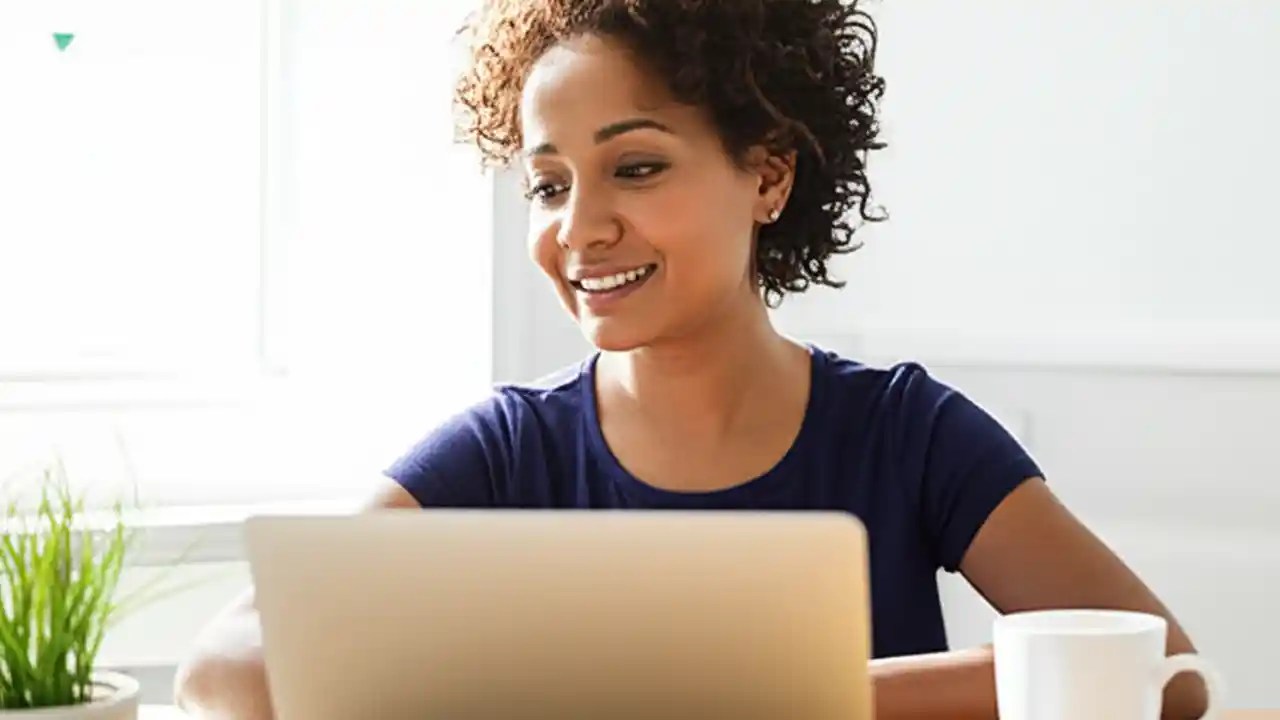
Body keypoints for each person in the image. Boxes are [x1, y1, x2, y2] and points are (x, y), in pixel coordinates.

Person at [175, 1, 1209, 717]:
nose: (578, 230)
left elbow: (1164, 674)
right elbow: (221, 668)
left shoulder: (904, 433)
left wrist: (796, 701)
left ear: (766, 176)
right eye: (547, 184)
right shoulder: (504, 450)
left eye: (633, 168)